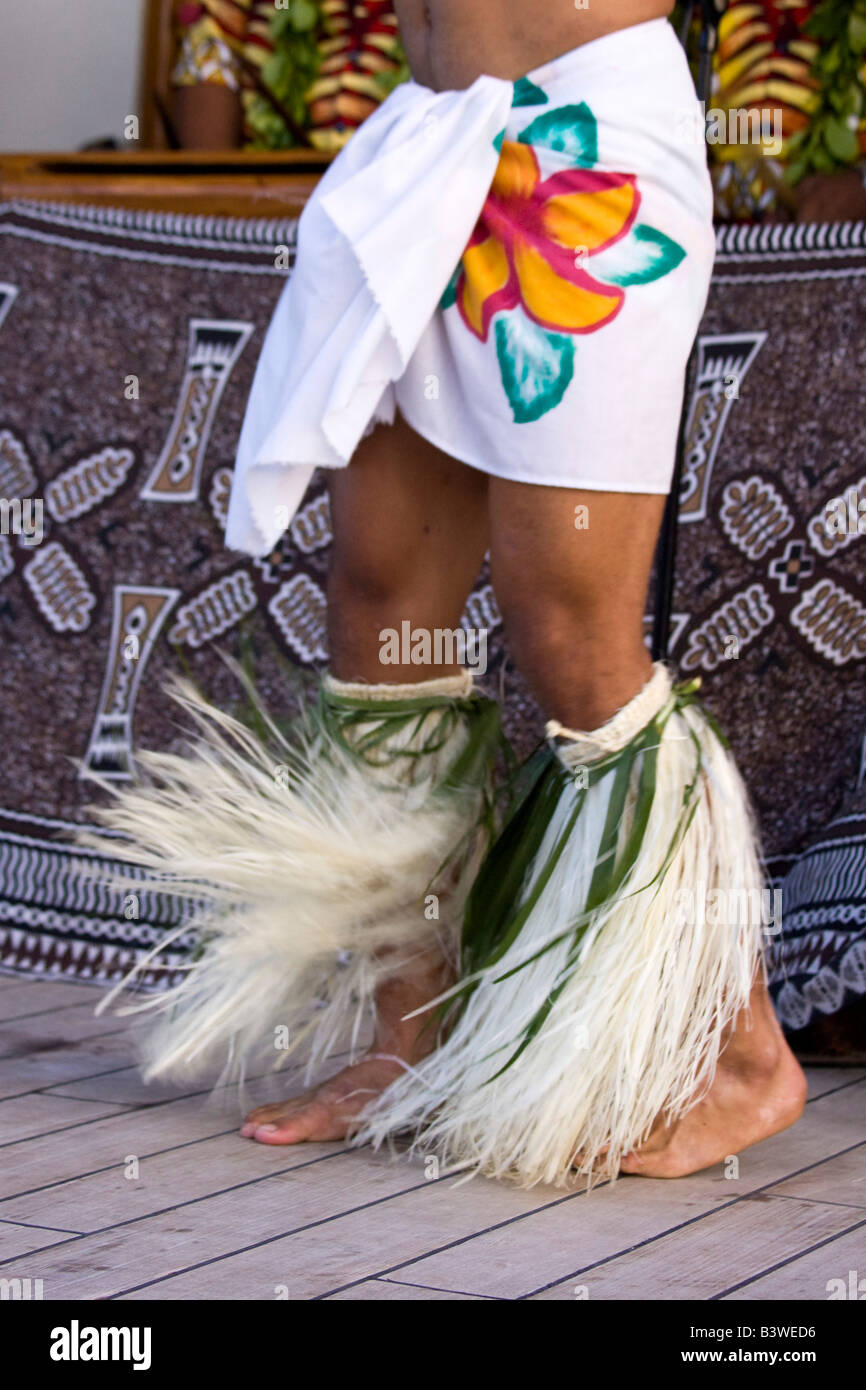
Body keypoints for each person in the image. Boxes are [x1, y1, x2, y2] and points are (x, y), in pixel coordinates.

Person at [88, 0, 807, 1185]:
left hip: (584, 151)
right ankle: (407, 1042)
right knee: (381, 606)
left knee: (569, 634)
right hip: (429, 138)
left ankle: (741, 1053)